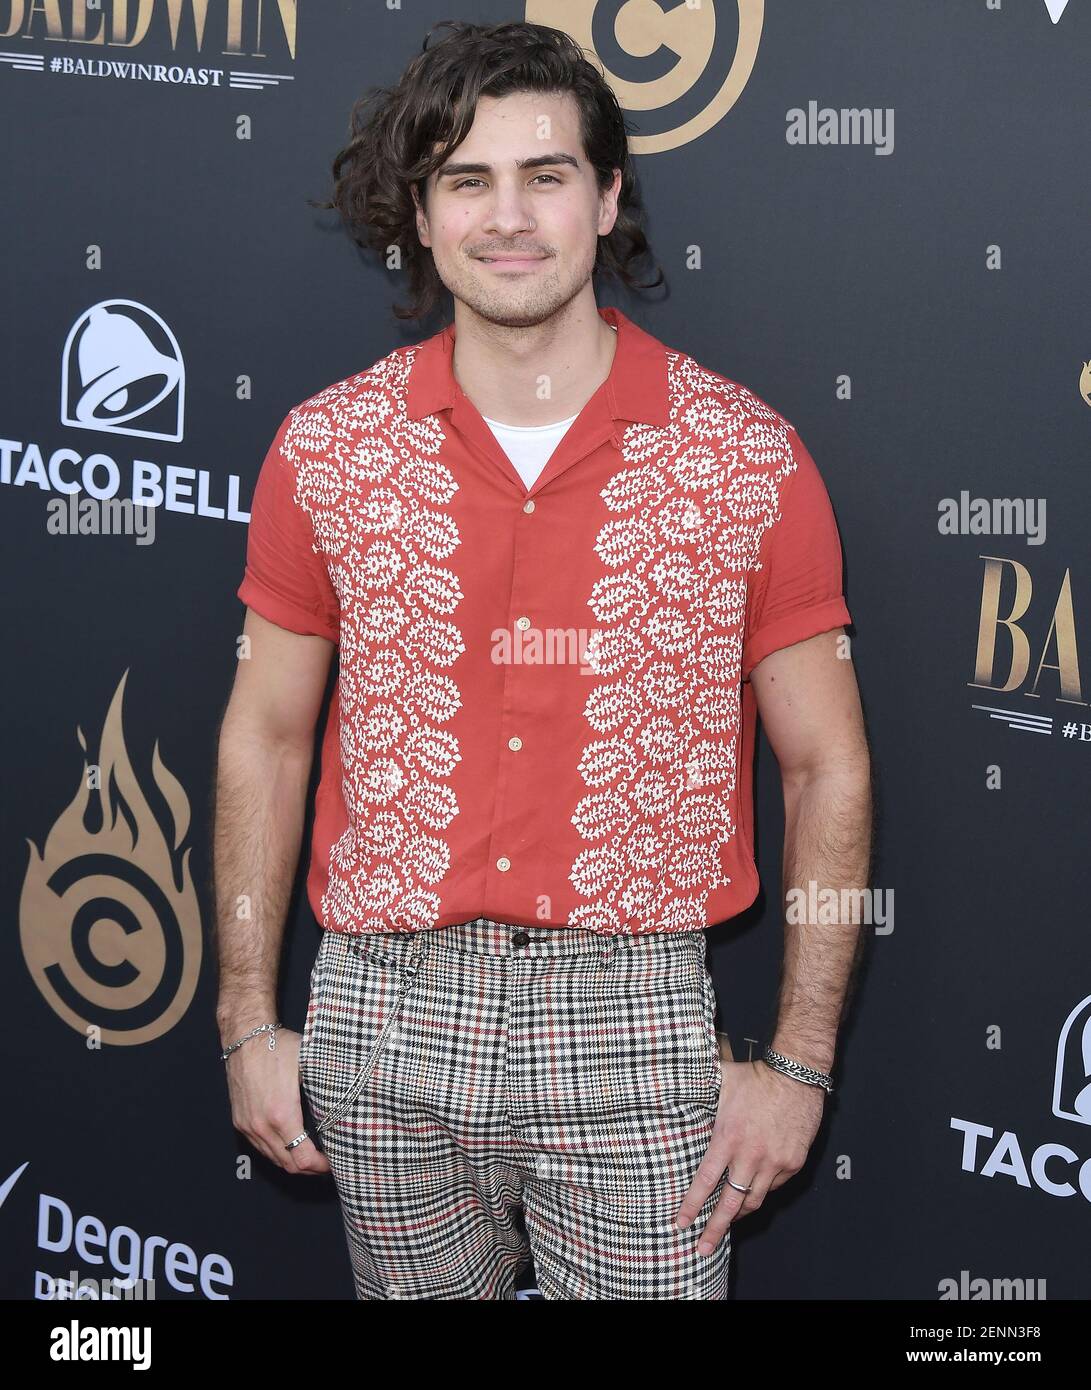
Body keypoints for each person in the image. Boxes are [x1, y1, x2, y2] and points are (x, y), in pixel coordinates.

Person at [213, 19, 872, 1301]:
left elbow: (827, 767)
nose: (506, 217)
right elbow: (266, 736)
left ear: (607, 196)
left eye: (545, 175)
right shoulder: (325, 451)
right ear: (420, 209)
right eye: (467, 180)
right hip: (381, 1017)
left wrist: (796, 1062)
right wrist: (246, 1016)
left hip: (631, 1023)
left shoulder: (745, 458)